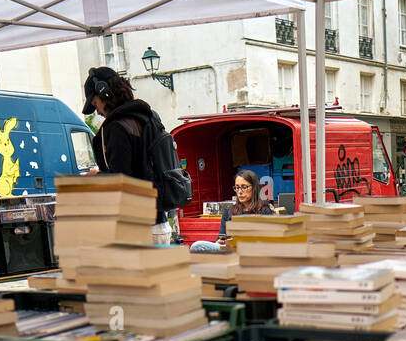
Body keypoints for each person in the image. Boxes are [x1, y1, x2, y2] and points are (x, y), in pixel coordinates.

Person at [82, 65, 172, 243]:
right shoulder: (147, 117)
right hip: (158, 222)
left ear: (104, 93)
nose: (98, 111)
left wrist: (96, 176)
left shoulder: (117, 127)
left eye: (95, 103)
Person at [190, 169, 272, 252]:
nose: (239, 192)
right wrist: (219, 242)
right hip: (229, 250)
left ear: (254, 188)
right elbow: (221, 238)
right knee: (197, 246)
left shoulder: (264, 212)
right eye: (237, 187)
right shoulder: (229, 212)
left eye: (244, 187)